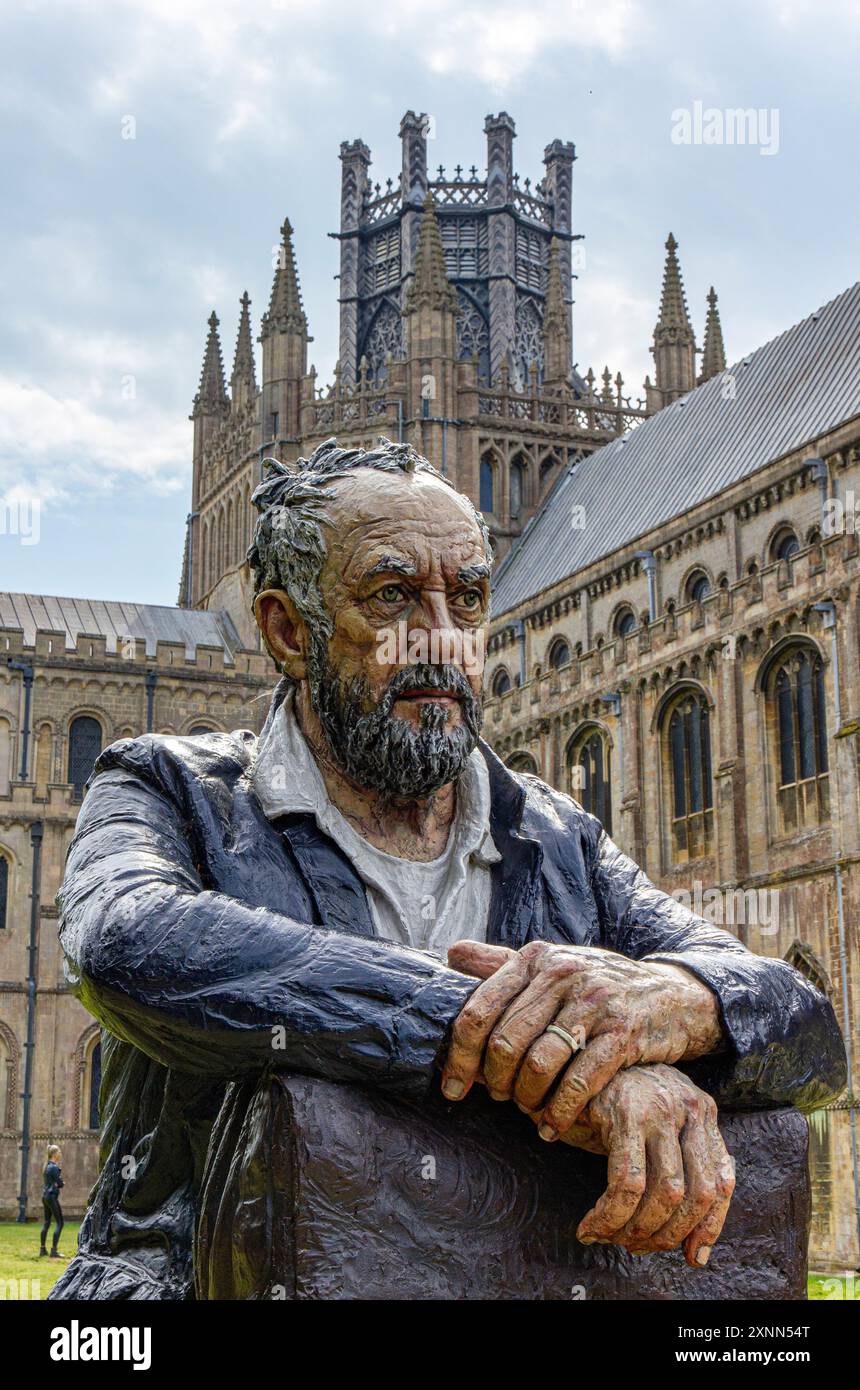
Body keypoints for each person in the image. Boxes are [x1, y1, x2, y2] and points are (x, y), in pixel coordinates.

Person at [49, 437, 846, 1301]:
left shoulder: (559, 841)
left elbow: (806, 1030)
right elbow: (126, 942)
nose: (442, 642)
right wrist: (538, 1043)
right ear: (287, 630)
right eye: (392, 598)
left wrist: (671, 1007)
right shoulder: (167, 789)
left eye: (466, 601)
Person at [40, 1144, 65, 1258]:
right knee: (60, 1222)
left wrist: (57, 1183)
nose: (60, 1153)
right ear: (54, 1154)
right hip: (51, 1197)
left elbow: (54, 1182)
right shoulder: (54, 1167)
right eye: (59, 1152)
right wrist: (61, 1183)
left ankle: (42, 1249)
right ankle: (54, 1251)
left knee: (46, 1222)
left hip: (45, 1196)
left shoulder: (46, 1166)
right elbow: (59, 1183)